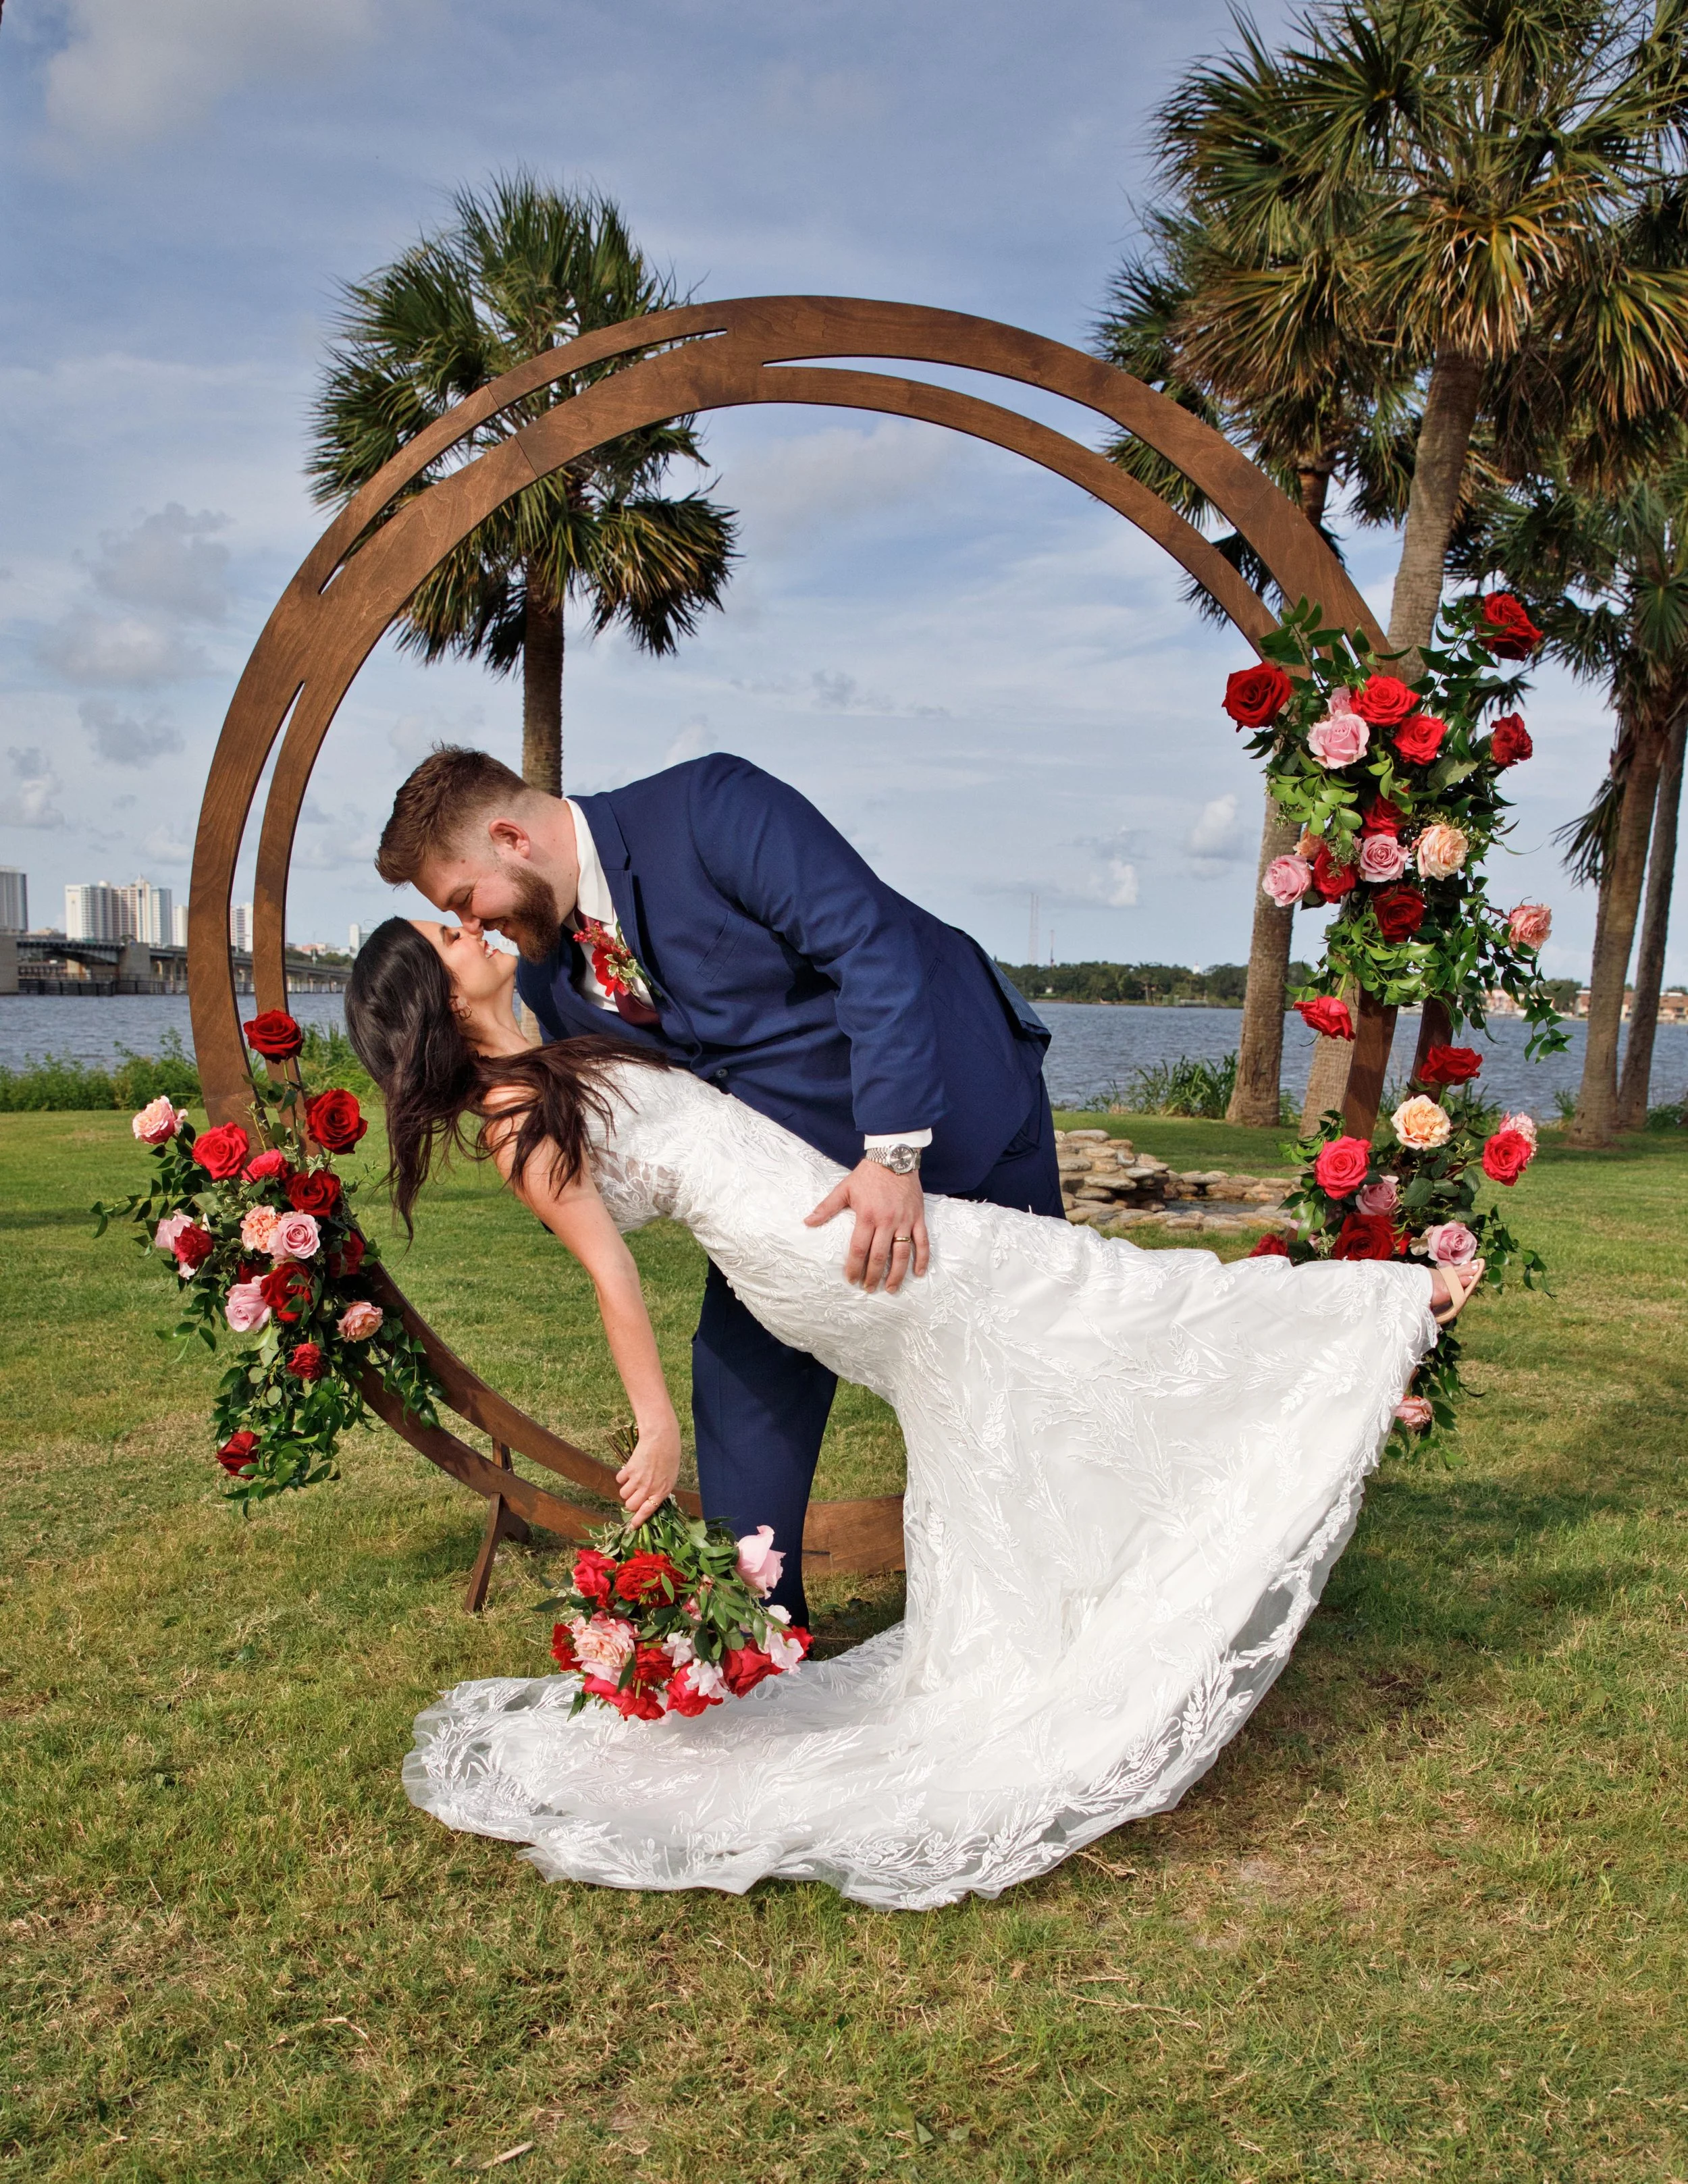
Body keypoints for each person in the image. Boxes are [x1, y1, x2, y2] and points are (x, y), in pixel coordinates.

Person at [344, 917, 1481, 1910]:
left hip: (819, 1214)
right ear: (441, 996)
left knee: (1056, 1322)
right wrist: (654, 1425)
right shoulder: (515, 1123)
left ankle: (1112, 1561)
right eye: (449, 937)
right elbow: (611, 1273)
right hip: (813, 1249)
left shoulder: (547, 1042)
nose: (473, 929)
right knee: (1084, 1289)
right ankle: (1380, 1307)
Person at [371, 747, 1059, 1625]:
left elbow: (869, 943)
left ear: (510, 838)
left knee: (1025, 1367)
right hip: (785, 1208)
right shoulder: (548, 971)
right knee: (741, 1404)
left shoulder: (709, 810)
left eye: (466, 900)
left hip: (962, 1112)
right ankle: (762, 1643)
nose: (481, 927)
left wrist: (891, 1155)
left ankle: (1057, 1594)